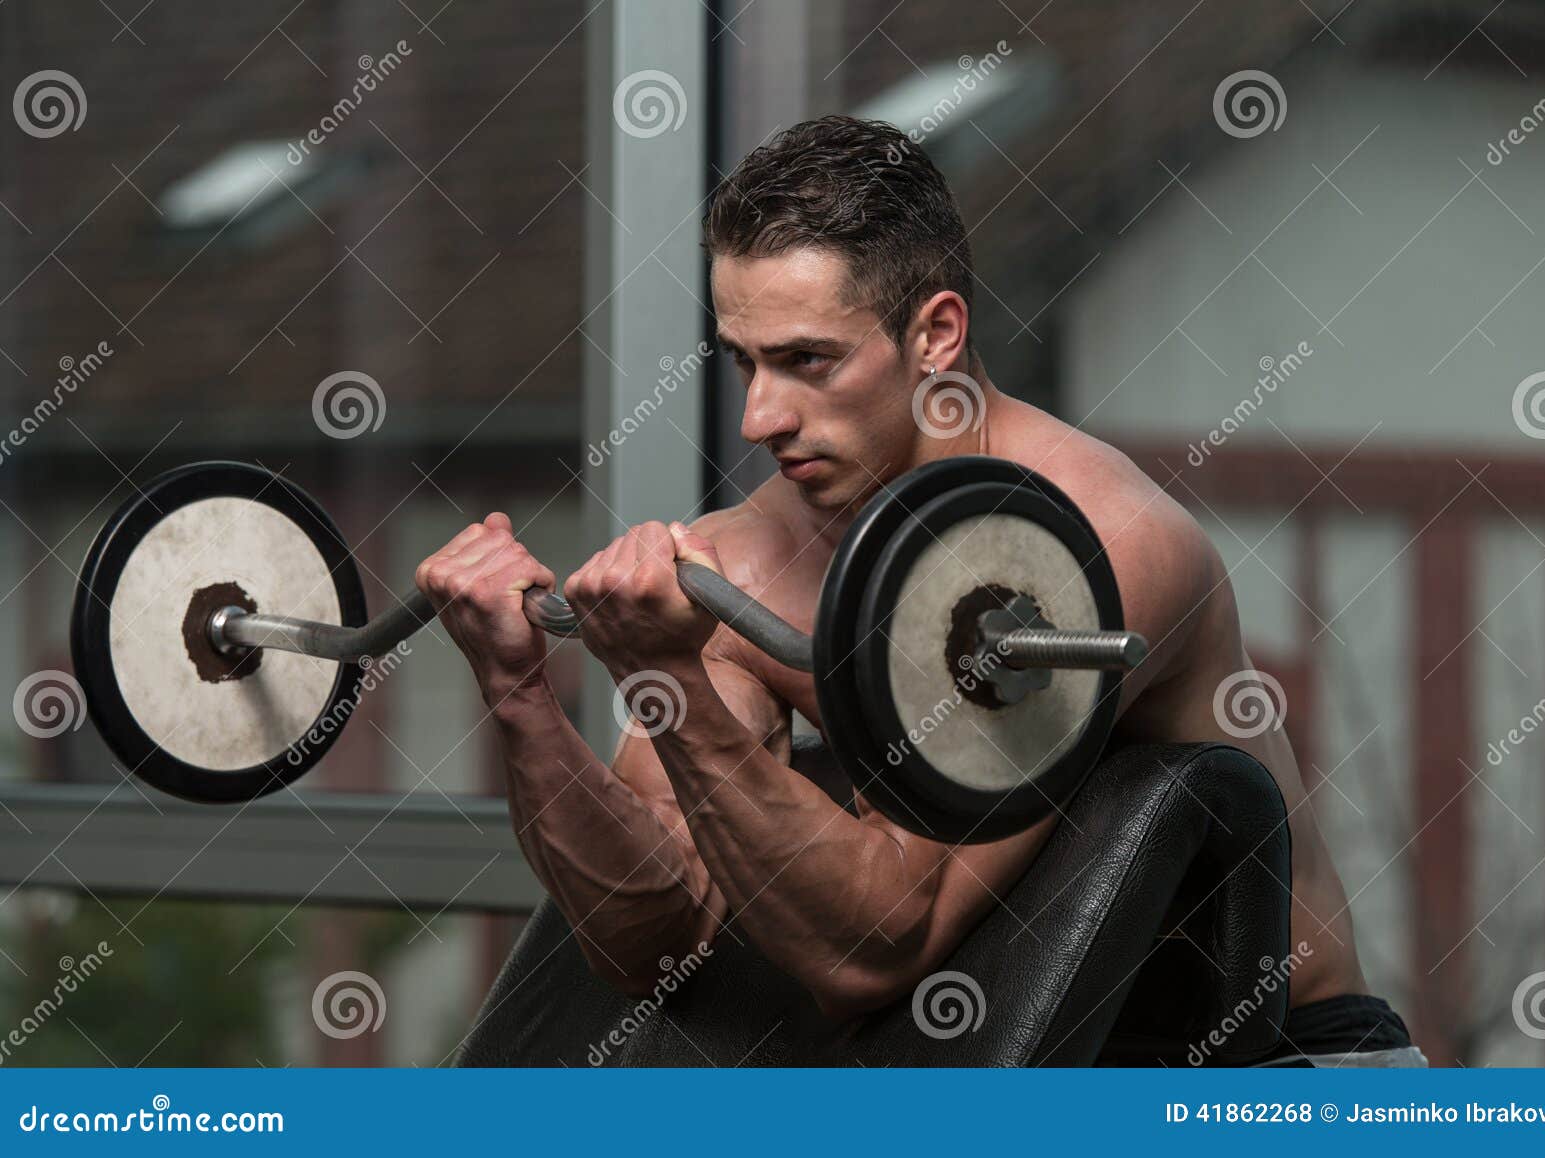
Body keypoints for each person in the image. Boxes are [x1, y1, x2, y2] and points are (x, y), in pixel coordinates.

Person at [416, 115, 1421, 1066]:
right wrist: (521, 699)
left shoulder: (1097, 553)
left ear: (934, 335)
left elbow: (875, 951)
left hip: (1274, 1070)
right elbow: (650, 940)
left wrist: (665, 665)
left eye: (808, 361)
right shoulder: (747, 563)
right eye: (744, 364)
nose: (759, 417)